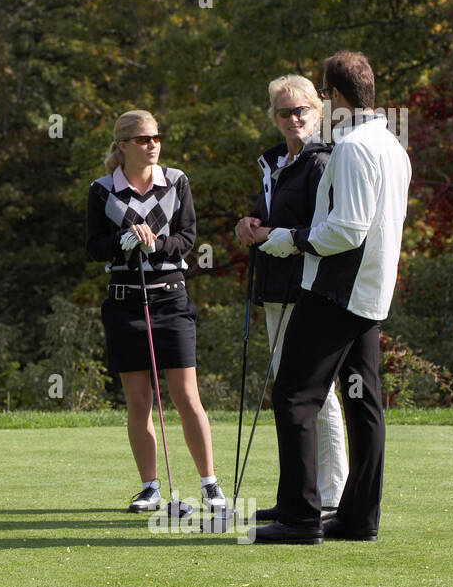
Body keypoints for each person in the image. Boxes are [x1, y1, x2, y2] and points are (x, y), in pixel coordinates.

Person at [252, 51, 411, 543]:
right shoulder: (391, 144)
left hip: (336, 290)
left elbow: (348, 229)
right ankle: (359, 518)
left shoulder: (353, 148)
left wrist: (291, 239)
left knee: (294, 395)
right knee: (363, 402)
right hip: (369, 292)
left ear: (336, 96)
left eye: (323, 93)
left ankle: (300, 518)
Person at [86, 110, 226, 513]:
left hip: (171, 298)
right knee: (139, 400)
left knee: (186, 396)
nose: (152, 145)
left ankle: (209, 484)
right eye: (144, 139)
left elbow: (187, 238)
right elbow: (93, 246)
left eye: (156, 138)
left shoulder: (177, 181)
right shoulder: (101, 191)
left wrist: (155, 246)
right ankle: (150, 487)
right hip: (125, 301)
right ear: (124, 145)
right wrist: (124, 241)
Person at [234, 75, 350, 520]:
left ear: (319, 112)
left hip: (310, 290)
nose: (294, 117)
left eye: (302, 109)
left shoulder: (323, 162)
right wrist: (247, 225)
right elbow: (265, 218)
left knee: (315, 394)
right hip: (276, 290)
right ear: (274, 118)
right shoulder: (273, 163)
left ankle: (330, 494)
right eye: (285, 112)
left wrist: (269, 233)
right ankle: (300, 496)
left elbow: (323, 228)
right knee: (292, 392)